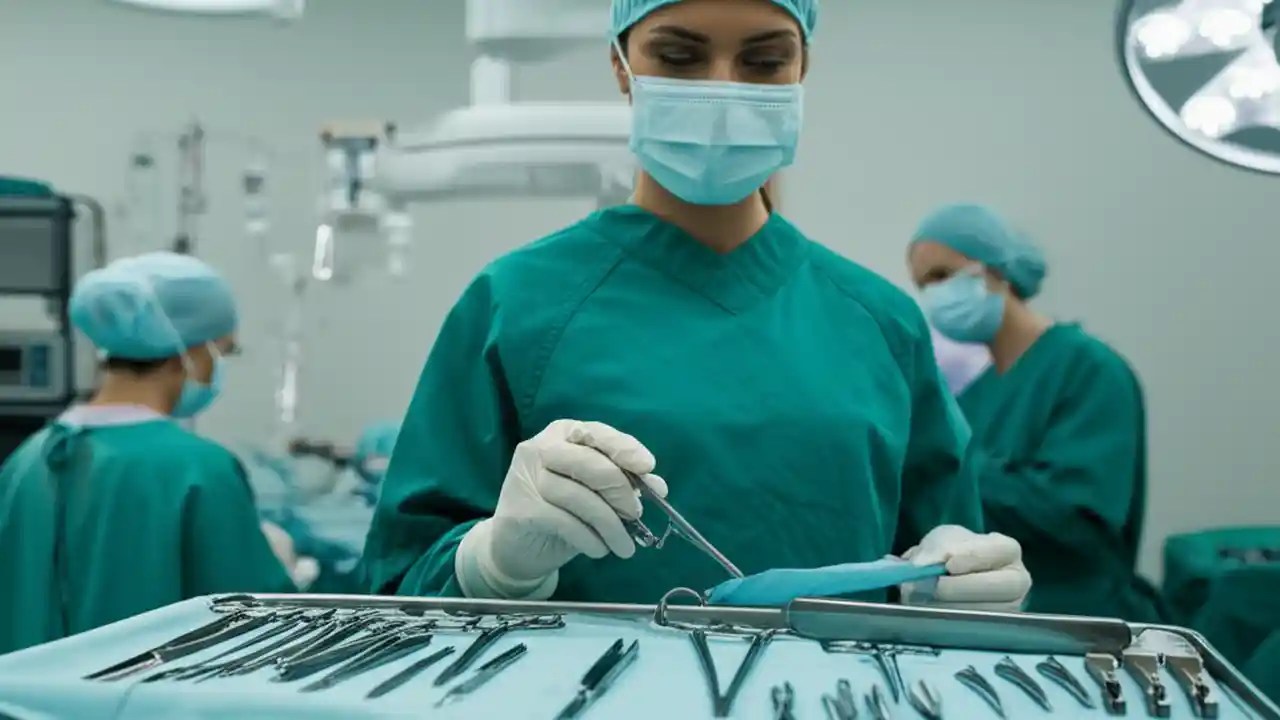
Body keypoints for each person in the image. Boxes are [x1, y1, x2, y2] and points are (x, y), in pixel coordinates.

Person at [362, 0, 1033, 611]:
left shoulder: (882, 323)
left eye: (764, 60)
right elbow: (391, 589)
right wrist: (494, 563)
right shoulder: (516, 304)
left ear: (803, 69)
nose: (723, 86)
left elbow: (950, 555)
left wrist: (962, 589)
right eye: (679, 57)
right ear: (622, 68)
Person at [0, 252, 295, 654]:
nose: (216, 368)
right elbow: (255, 627)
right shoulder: (198, 469)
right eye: (220, 352)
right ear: (188, 353)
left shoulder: (27, 460)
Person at [907, 203, 1164, 621]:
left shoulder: (1089, 370)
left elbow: (1073, 516)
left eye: (941, 275)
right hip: (1000, 618)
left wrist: (960, 469)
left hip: (1081, 622)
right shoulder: (973, 396)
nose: (933, 296)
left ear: (996, 270)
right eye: (923, 285)